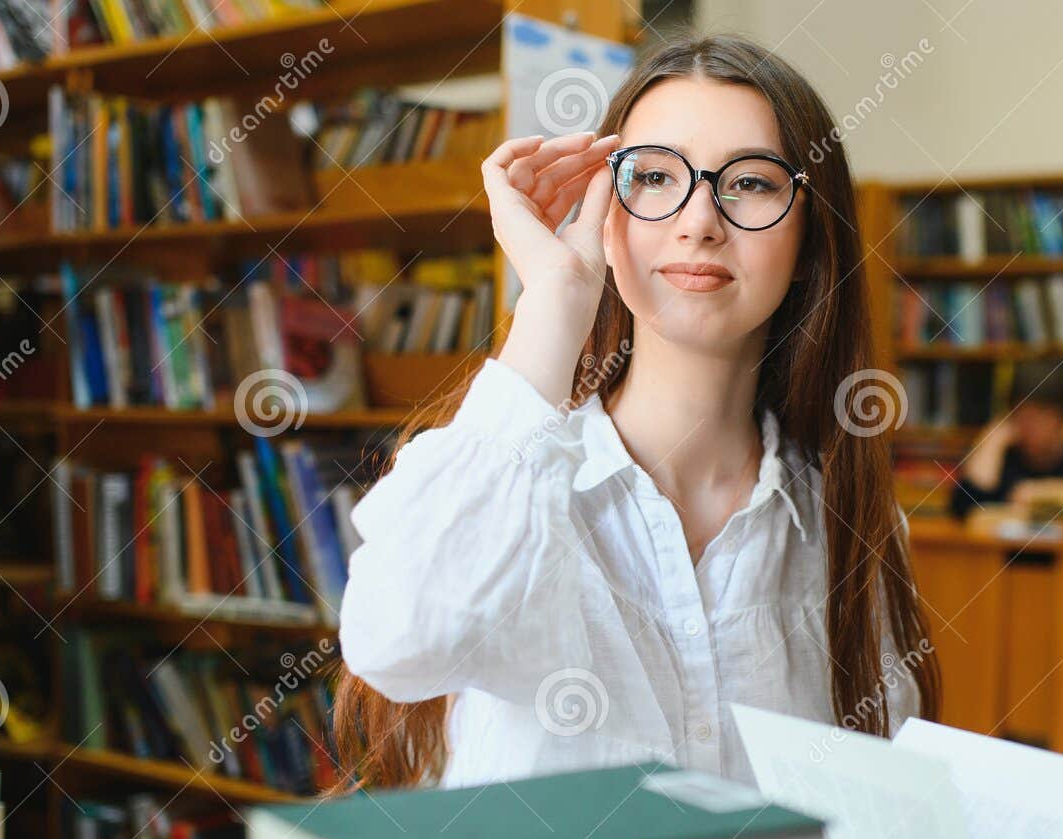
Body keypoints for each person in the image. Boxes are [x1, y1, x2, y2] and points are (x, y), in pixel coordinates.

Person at [333, 34, 941, 790]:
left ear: (809, 239)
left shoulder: (848, 520)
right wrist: (555, 300)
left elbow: (879, 803)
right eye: (654, 176)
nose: (700, 221)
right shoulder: (516, 486)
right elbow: (398, 643)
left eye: (751, 183)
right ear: (605, 212)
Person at [949, 364, 1063, 531]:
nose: (1029, 426)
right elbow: (963, 510)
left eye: (1039, 416)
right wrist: (991, 444)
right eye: (1020, 415)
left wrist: (1047, 494)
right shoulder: (1006, 447)